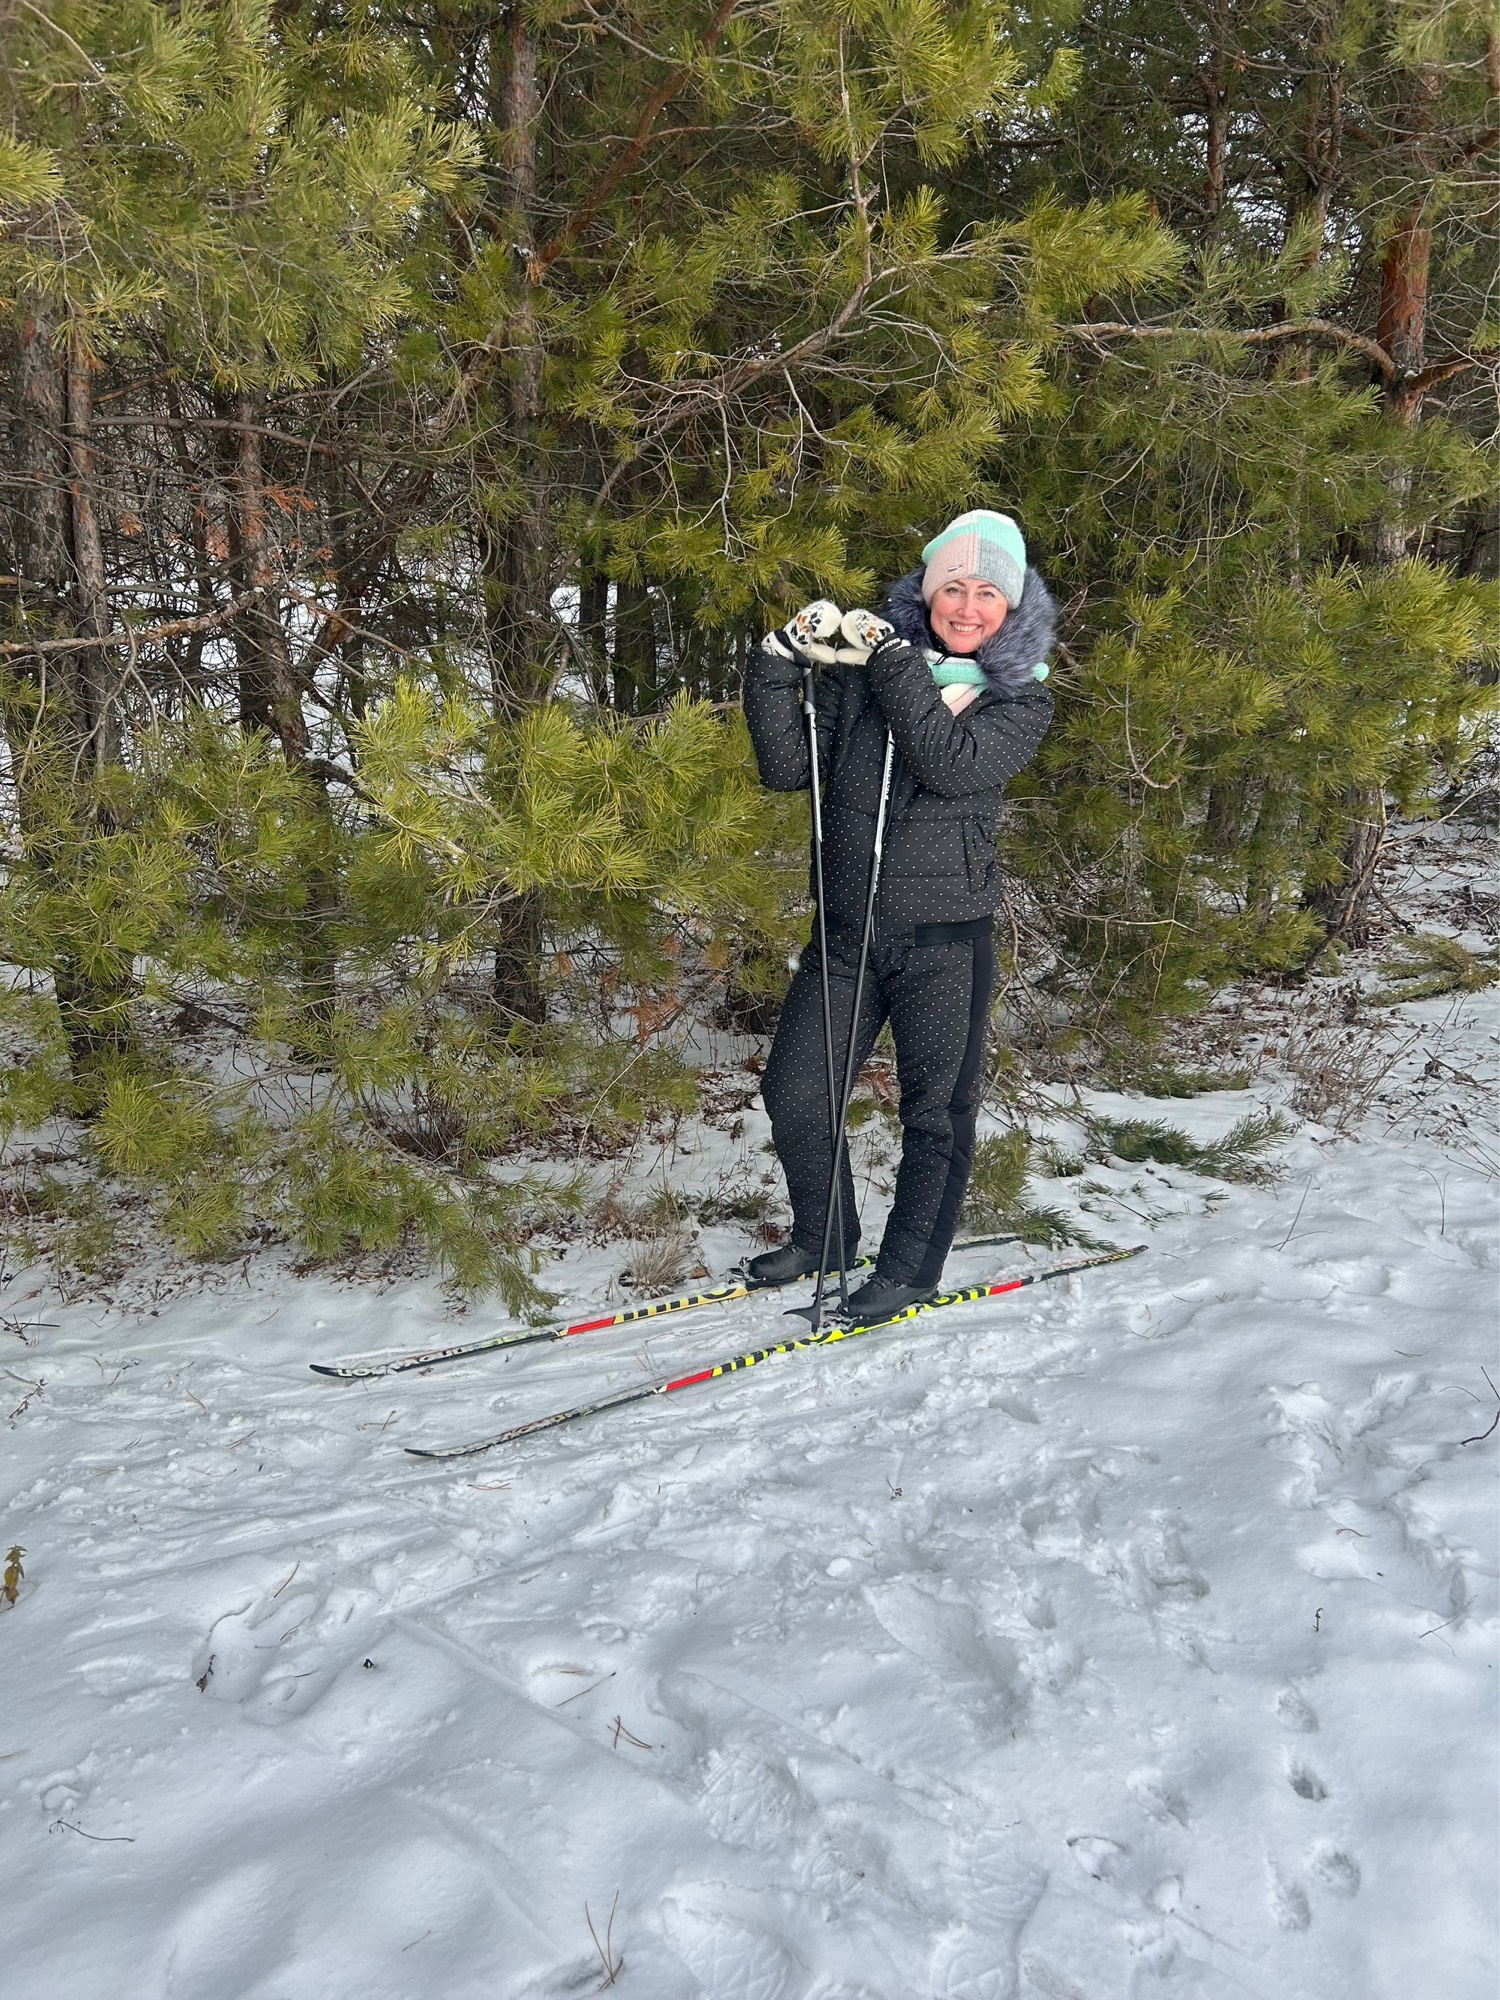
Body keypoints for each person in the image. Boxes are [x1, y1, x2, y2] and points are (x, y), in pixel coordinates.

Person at [741, 508, 1057, 1322]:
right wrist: (776, 665)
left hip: (944, 942)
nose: (966, 605)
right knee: (796, 1092)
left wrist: (892, 662)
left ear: (1012, 608)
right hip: (847, 935)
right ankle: (828, 1235)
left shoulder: (1018, 702)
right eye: (952, 586)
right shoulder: (873, 675)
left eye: (988, 592)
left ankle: (912, 1267)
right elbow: (786, 769)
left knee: (936, 1116)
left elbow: (947, 765)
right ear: (927, 589)